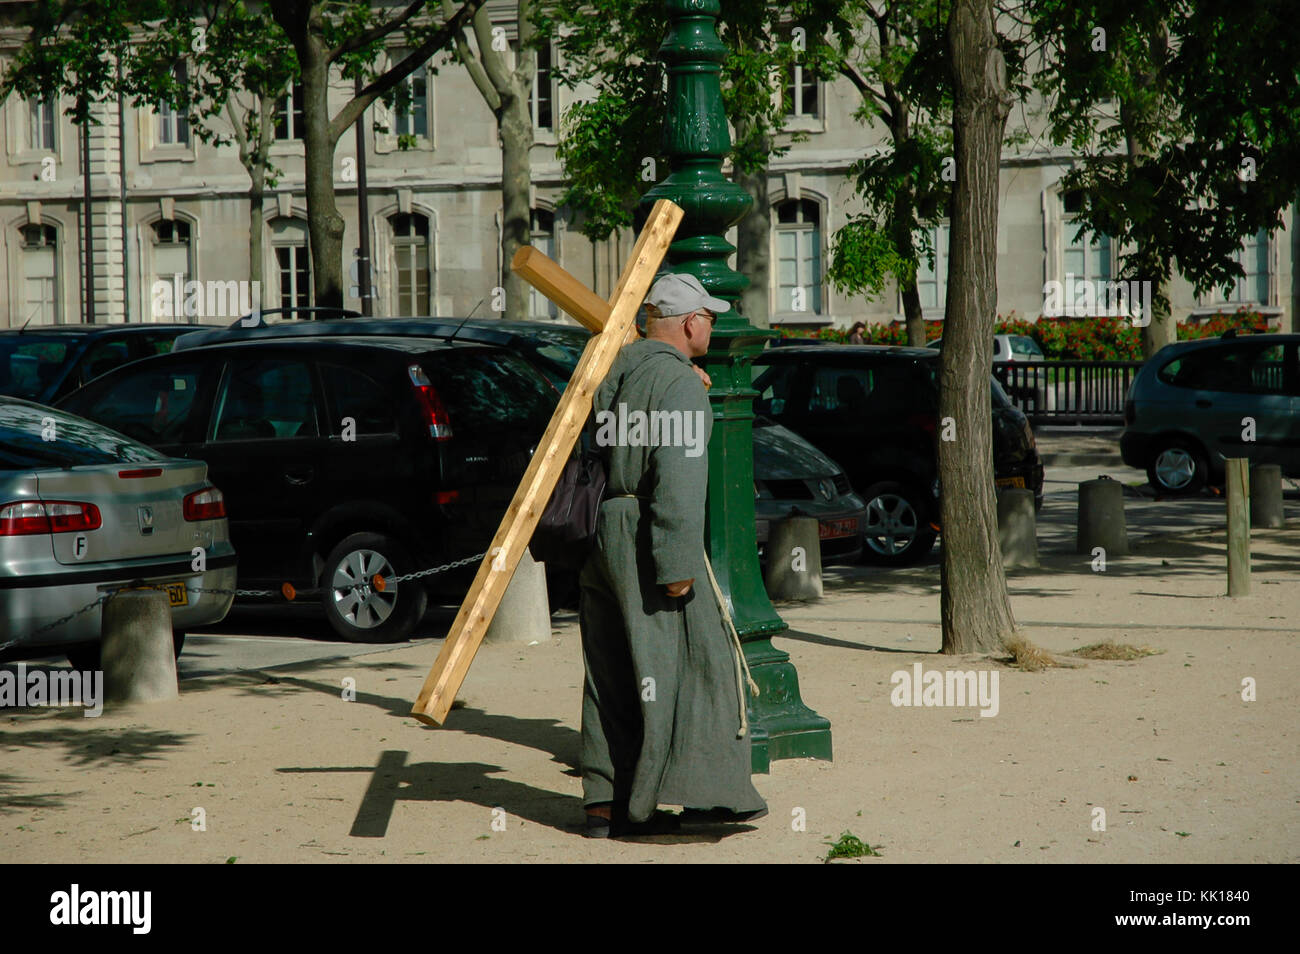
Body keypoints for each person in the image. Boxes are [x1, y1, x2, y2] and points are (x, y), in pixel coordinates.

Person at [579, 271, 768, 838]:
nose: (711, 326)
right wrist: (677, 565)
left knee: (610, 671)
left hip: (603, 528)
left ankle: (604, 801)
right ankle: (696, 795)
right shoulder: (679, 384)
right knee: (694, 665)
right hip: (648, 534)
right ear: (689, 323)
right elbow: (679, 482)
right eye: (708, 317)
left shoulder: (616, 370)